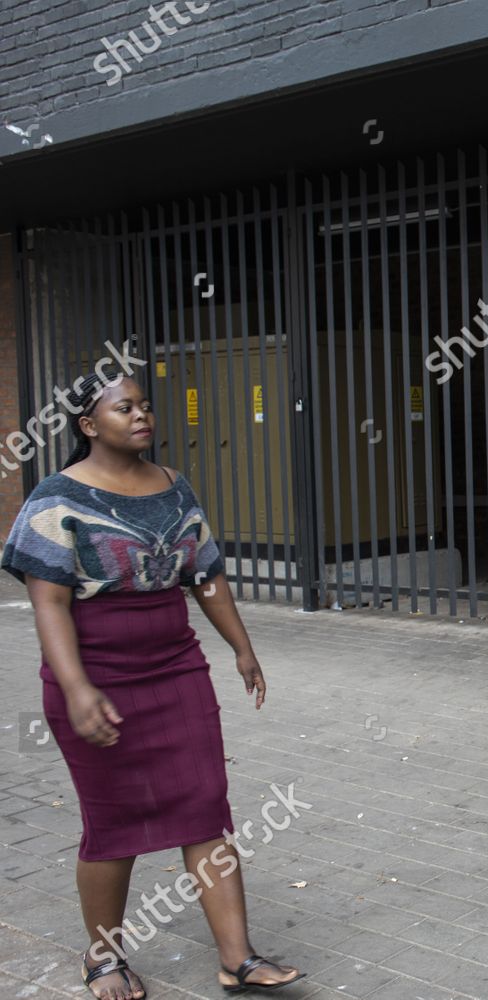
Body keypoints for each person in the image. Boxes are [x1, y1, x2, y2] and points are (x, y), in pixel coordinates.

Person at [2, 370, 305, 998]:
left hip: (176, 670)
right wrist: (78, 689)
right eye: (123, 408)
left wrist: (242, 649)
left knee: (205, 811)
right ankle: (103, 958)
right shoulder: (56, 499)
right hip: (96, 678)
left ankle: (237, 959)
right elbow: (50, 606)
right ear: (89, 425)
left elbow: (207, 577)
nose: (141, 415)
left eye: (144, 405)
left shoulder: (173, 486)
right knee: (114, 823)